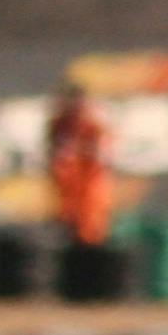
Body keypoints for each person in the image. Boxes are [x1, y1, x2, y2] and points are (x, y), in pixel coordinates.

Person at [46, 84, 113, 248]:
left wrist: (80, 151)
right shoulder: (58, 124)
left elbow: (102, 156)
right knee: (66, 226)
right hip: (66, 190)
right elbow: (53, 153)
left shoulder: (94, 127)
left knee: (90, 230)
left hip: (88, 189)